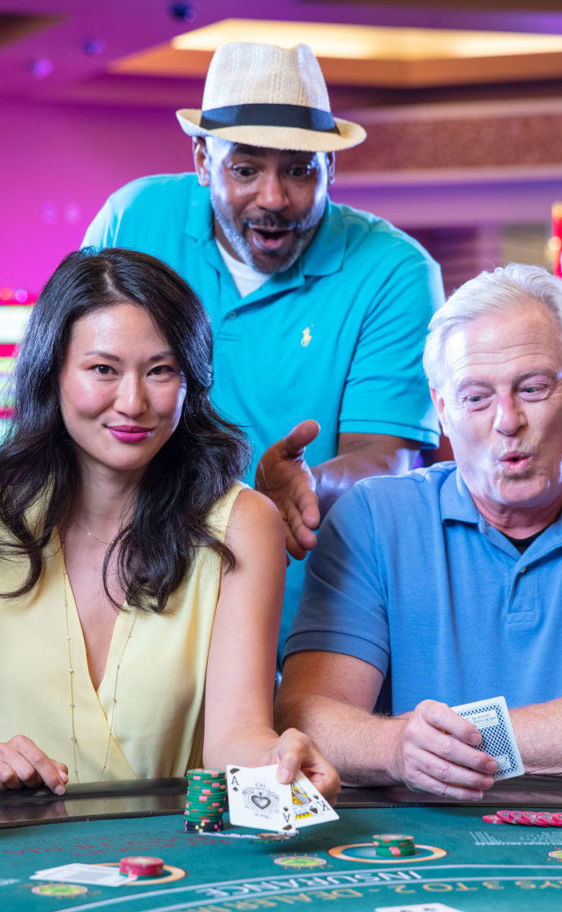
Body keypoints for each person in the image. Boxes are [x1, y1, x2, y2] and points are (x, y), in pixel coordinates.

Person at [274, 263, 562, 799]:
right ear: (441, 410)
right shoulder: (371, 516)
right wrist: (396, 749)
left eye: (532, 388)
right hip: (428, 845)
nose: (507, 420)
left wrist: (437, 748)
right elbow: (306, 716)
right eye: (476, 397)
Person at [0, 248, 338, 797]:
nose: (133, 402)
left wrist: (279, 761)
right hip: (8, 859)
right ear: (53, 372)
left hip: (175, 869)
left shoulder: (244, 522)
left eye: (161, 371)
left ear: (191, 383)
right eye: (103, 370)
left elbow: (236, 734)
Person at [82, 41, 443, 651]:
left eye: (299, 169)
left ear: (332, 168)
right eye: (245, 168)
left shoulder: (396, 271)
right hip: (127, 598)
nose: (273, 198)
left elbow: (387, 460)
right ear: (202, 159)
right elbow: (72, 382)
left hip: (309, 622)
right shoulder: (134, 219)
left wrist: (303, 489)